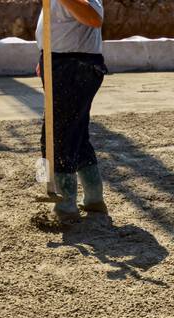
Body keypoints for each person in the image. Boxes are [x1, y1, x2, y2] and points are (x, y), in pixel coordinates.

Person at [37, 0, 108, 224]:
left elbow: (94, 18)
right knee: (76, 135)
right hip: (60, 62)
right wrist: (45, 55)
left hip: (74, 66)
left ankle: (65, 206)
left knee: (56, 137)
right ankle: (94, 199)